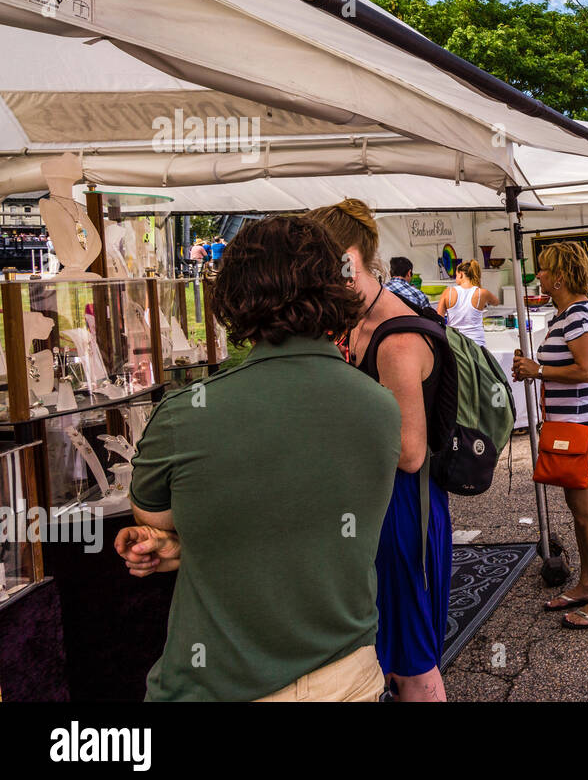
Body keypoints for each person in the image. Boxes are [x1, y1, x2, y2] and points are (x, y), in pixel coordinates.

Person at [116, 215, 400, 701]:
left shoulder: (185, 415)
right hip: (348, 676)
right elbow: (319, 520)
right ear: (336, 288)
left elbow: (157, 520)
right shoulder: (380, 406)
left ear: (235, 297)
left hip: (220, 683)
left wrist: (188, 543)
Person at [307, 199, 450, 702]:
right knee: (380, 647)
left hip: (401, 508)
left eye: (330, 264)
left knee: (412, 659)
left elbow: (409, 452)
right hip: (370, 505)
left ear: (356, 258)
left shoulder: (397, 338)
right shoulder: (352, 321)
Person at [512, 243, 588, 628]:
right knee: (580, 513)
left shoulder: (576, 314)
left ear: (559, 276)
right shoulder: (571, 313)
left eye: (542, 270)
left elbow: (587, 370)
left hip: (580, 428)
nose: (537, 275)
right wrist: (534, 368)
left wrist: (537, 370)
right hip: (571, 426)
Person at [436, 259, 499, 347]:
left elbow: (438, 319)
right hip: (477, 343)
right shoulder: (482, 293)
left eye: (456, 275)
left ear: (461, 274)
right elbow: (496, 302)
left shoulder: (448, 292)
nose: (456, 278)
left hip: (455, 344)